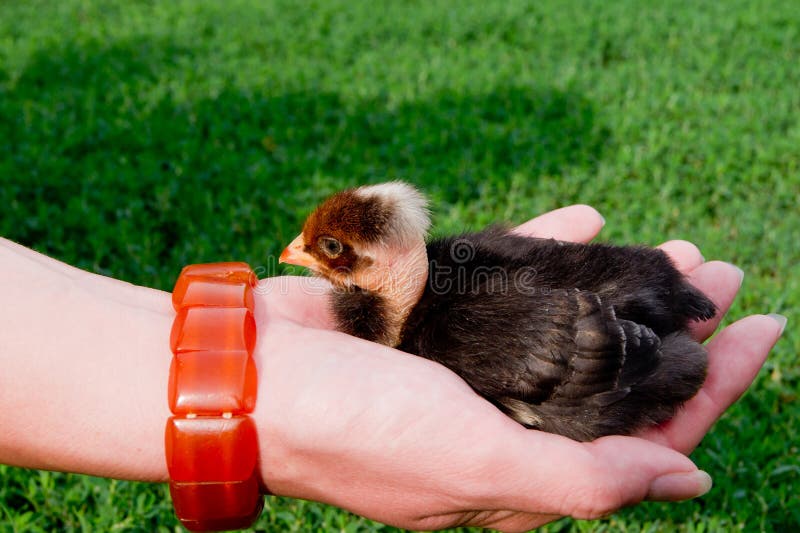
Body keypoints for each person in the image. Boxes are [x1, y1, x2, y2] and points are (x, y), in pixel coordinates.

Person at [0, 205, 785, 532]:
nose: (299, 258)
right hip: (610, 327)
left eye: (325, 251)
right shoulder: (444, 277)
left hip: (615, 353)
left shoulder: (450, 317)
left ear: (381, 259)